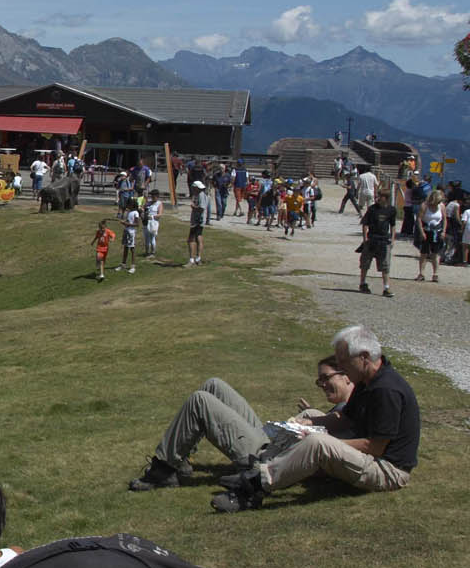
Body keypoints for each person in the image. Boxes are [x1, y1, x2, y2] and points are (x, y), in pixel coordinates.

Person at [212, 325, 421, 512]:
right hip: (369, 457)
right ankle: (263, 463)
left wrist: (323, 439)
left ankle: (253, 487)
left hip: (387, 470)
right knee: (310, 416)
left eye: (344, 362)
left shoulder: (386, 390)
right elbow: (343, 418)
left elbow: (375, 447)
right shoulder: (367, 380)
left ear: (364, 357)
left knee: (318, 443)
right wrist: (308, 424)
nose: (342, 368)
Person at [128, 349, 371, 493]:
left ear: (347, 376)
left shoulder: (352, 412)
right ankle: (180, 456)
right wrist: (311, 416)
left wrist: (309, 422)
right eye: (320, 381)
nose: (322, 385)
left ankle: (163, 469)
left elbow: (330, 452)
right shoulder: (344, 409)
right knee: (214, 385)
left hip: (269, 456)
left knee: (200, 401)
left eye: (326, 378)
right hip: (271, 440)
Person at [358, 189, 396, 298]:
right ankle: (362, 283)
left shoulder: (391, 210)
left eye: (380, 196)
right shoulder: (372, 209)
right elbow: (365, 224)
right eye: (378, 196)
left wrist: (393, 239)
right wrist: (365, 238)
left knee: (385, 265)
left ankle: (386, 288)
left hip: (384, 240)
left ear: (386, 198)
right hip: (372, 239)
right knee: (365, 263)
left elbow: (393, 225)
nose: (378, 198)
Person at [416, 189, 446, 282]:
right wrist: (422, 232)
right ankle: (421, 273)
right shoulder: (424, 206)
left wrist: (444, 231)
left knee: (435, 253)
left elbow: (445, 219)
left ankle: (435, 274)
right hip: (426, 230)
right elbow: (419, 219)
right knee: (424, 253)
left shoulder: (441, 206)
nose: (438, 203)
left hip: (437, 231)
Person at [186, 180, 212, 265]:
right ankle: (198, 258)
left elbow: (202, 208)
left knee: (191, 239)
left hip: (198, 220)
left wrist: (194, 207)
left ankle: (192, 259)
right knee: (198, 237)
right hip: (198, 219)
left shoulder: (201, 195)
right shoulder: (199, 195)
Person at [120, 201, 139, 273]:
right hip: (126, 231)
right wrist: (124, 222)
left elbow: (137, 224)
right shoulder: (129, 212)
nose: (128, 206)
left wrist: (127, 223)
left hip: (131, 233)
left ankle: (133, 266)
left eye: (129, 205)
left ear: (133, 205)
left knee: (132, 249)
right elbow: (128, 221)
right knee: (125, 248)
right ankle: (123, 264)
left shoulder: (136, 213)